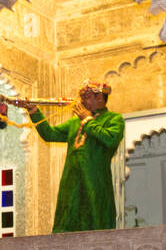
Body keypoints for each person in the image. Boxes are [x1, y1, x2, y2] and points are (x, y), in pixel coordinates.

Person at [24, 80, 125, 232]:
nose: (82, 101)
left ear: (99, 98)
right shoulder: (74, 122)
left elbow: (110, 139)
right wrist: (34, 111)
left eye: (87, 97)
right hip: (71, 185)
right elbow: (49, 134)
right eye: (81, 97)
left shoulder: (114, 119)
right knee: (66, 225)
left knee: (96, 224)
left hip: (95, 184)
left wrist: (87, 120)